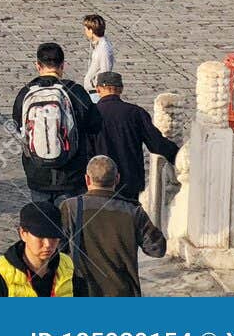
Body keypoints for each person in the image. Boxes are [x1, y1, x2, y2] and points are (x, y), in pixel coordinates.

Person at [60, 154, 167, 297]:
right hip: (124, 292)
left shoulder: (70, 207)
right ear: (117, 179)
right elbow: (157, 249)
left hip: (84, 291)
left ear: (87, 179)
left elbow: (58, 248)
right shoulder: (133, 211)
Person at [11, 42, 103, 207]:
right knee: (71, 225)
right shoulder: (75, 92)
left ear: (38, 65)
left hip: (37, 174)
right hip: (71, 175)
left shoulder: (25, 93)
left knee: (43, 227)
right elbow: (95, 125)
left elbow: (18, 127)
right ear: (62, 65)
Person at [91, 72, 179, 203]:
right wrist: (179, 155)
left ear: (98, 89)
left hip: (98, 182)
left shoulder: (91, 114)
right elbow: (157, 145)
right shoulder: (135, 113)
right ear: (121, 89)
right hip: (129, 182)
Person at [0, 202, 74, 297]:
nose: (48, 244)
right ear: (23, 233)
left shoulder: (67, 265)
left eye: (54, 237)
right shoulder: (1, 273)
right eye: (41, 236)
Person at [82, 13, 114, 96]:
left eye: (85, 29)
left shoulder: (103, 48)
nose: (85, 32)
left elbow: (105, 71)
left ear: (91, 30)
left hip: (97, 92)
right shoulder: (98, 44)